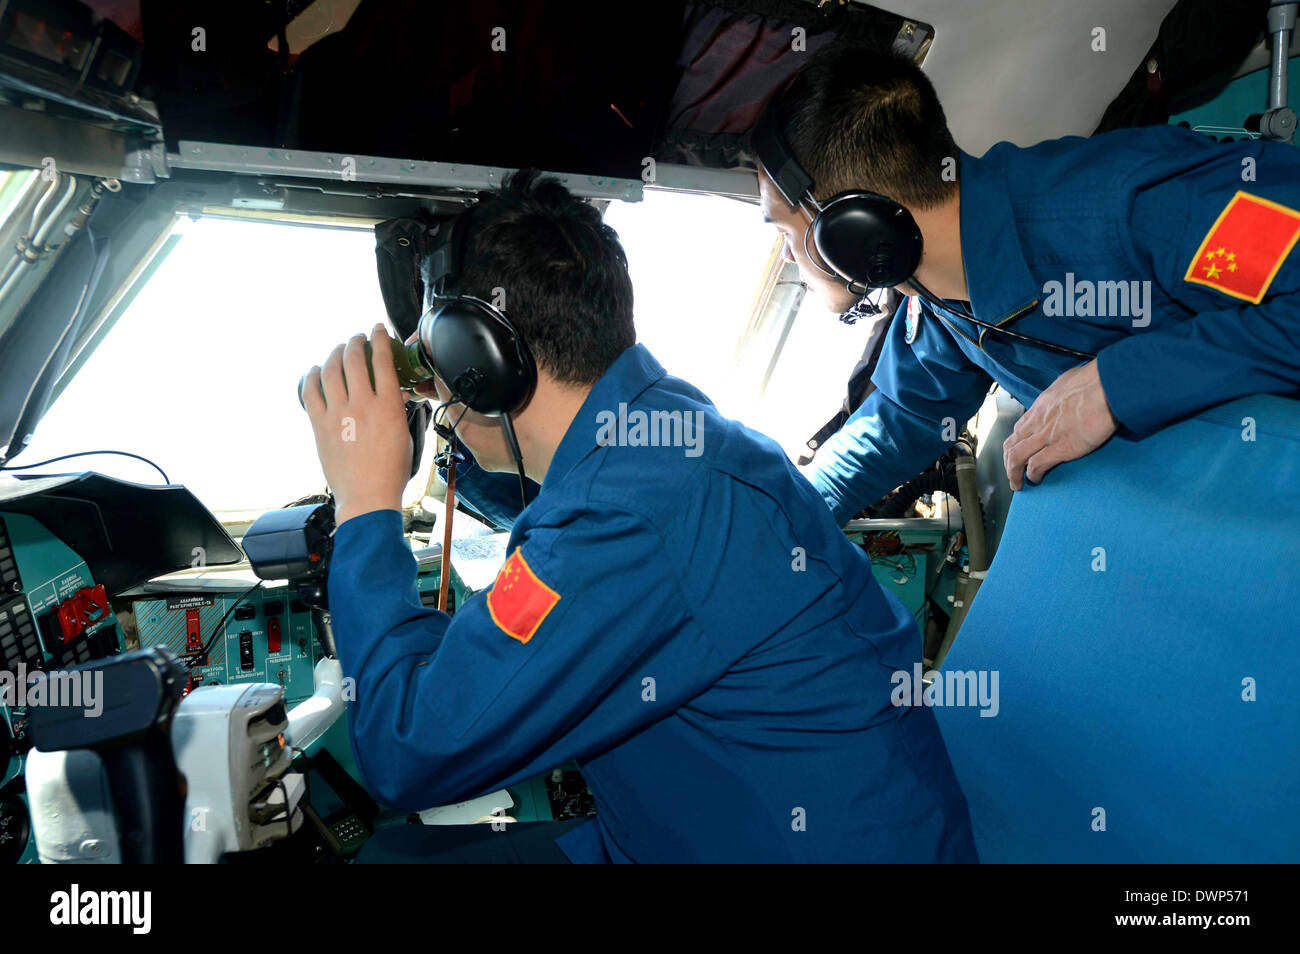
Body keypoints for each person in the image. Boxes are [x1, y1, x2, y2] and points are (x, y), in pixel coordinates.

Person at [300, 170, 976, 863]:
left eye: (438, 357)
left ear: (485, 360)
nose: (436, 384)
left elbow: (406, 751)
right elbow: (546, 520)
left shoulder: (626, 519)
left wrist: (363, 504)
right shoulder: (658, 429)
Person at [757, 44, 1300, 526]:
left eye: (784, 229)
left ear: (853, 229)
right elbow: (906, 417)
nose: (786, 254)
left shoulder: (1133, 203)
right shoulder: (940, 298)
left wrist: (1119, 385)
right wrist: (785, 519)